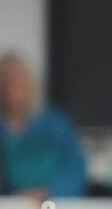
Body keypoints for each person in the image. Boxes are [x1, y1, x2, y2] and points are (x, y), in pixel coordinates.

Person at [0, 53, 87, 198]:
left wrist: (50, 191)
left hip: (55, 202)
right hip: (14, 204)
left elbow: (76, 165)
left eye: (17, 79)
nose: (11, 86)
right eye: (6, 80)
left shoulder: (53, 121)